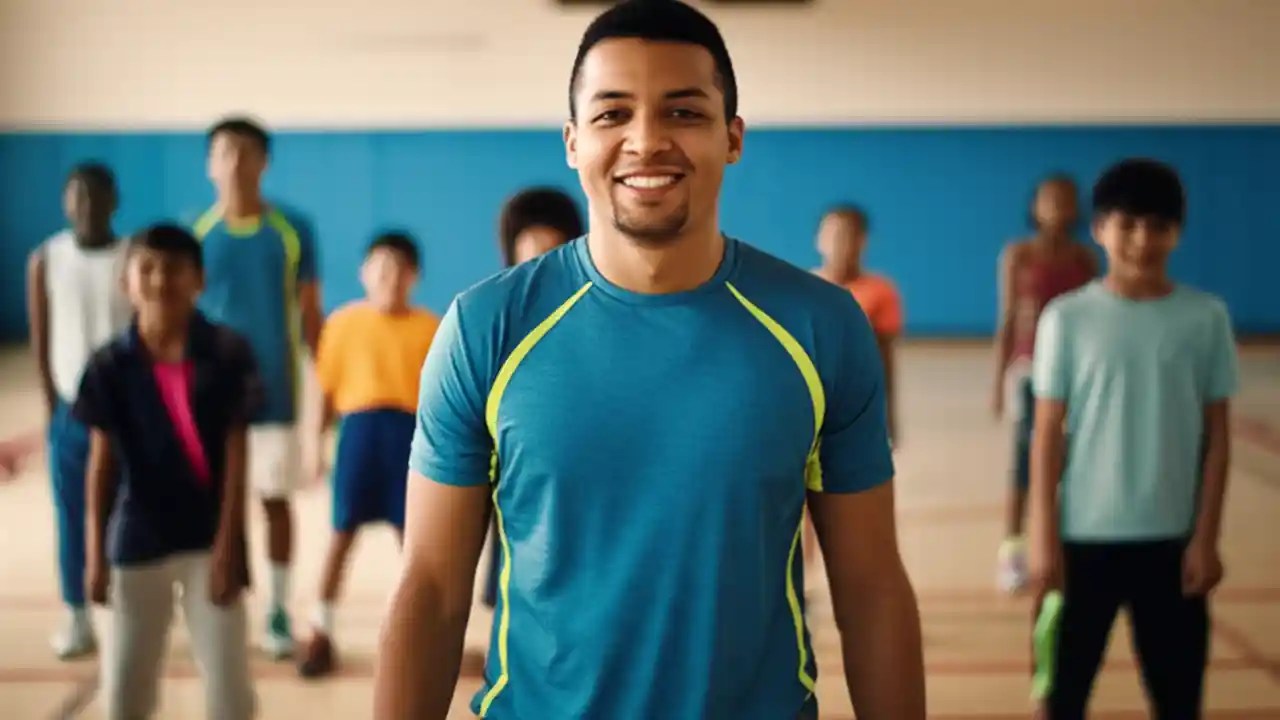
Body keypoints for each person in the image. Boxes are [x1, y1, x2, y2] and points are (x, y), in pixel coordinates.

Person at [372, 2, 927, 719]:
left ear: (732, 137)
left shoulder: (821, 328)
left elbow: (872, 588)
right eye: (612, 114)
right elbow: (431, 589)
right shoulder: (486, 329)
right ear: (573, 141)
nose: (646, 140)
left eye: (683, 112)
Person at [1027, 158, 1237, 719]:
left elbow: (1218, 439)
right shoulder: (1065, 319)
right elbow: (1046, 435)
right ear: (1099, 229)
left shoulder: (1206, 318)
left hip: (1172, 542)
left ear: (1177, 232)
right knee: (1062, 699)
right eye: (1127, 225)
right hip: (1079, 541)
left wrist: (1206, 538)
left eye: (1158, 226)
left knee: (1178, 702)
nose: (1142, 240)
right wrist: (1041, 535)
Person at [76, 224, 259, 720]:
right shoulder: (109, 366)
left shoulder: (228, 353)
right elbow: (101, 466)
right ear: (126, 282)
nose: (160, 280)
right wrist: (94, 554)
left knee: (230, 692)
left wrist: (229, 546)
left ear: (199, 280)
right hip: (137, 541)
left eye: (175, 269)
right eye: (148, 269)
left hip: (209, 542)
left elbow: (237, 457)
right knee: (126, 691)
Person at [194, 116, 324, 659]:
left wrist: (328, 398)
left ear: (264, 162)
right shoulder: (198, 234)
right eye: (225, 152)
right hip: (210, 400)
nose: (235, 163)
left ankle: (277, 609)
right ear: (210, 164)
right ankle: (221, 606)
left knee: (274, 502)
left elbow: (311, 315)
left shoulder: (292, 230)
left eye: (246, 152)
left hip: (274, 396)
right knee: (216, 508)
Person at [297, 231, 440, 678]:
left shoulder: (431, 328)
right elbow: (325, 391)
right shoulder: (342, 324)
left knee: (413, 542)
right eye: (381, 267)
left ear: (414, 276)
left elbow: (441, 402)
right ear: (364, 273)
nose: (389, 277)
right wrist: (315, 446)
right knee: (341, 534)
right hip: (357, 435)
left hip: (410, 439)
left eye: (400, 269)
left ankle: (423, 636)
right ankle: (320, 630)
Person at [25, 162, 132, 659]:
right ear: (66, 204)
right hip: (72, 412)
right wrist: (52, 408)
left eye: (96, 195)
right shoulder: (46, 259)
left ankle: (129, 603)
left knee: (128, 510)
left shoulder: (132, 257)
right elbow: (41, 338)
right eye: (77, 197)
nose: (87, 206)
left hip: (126, 412)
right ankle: (76, 612)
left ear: (115, 201)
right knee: (71, 514)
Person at [479, 186, 584, 610]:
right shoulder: (495, 321)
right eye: (531, 253)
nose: (541, 266)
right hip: (514, 466)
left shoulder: (590, 317)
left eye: (551, 253)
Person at [991, 175, 1096, 594]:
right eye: (1050, 200)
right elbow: (1007, 317)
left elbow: (1094, 318)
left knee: (1070, 463)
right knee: (1024, 462)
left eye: (1066, 200)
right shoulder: (1018, 255)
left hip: (1076, 373)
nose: (1058, 207)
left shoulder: (1084, 259)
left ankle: (1061, 549)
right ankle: (1012, 551)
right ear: (1035, 206)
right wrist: (997, 381)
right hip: (1031, 370)